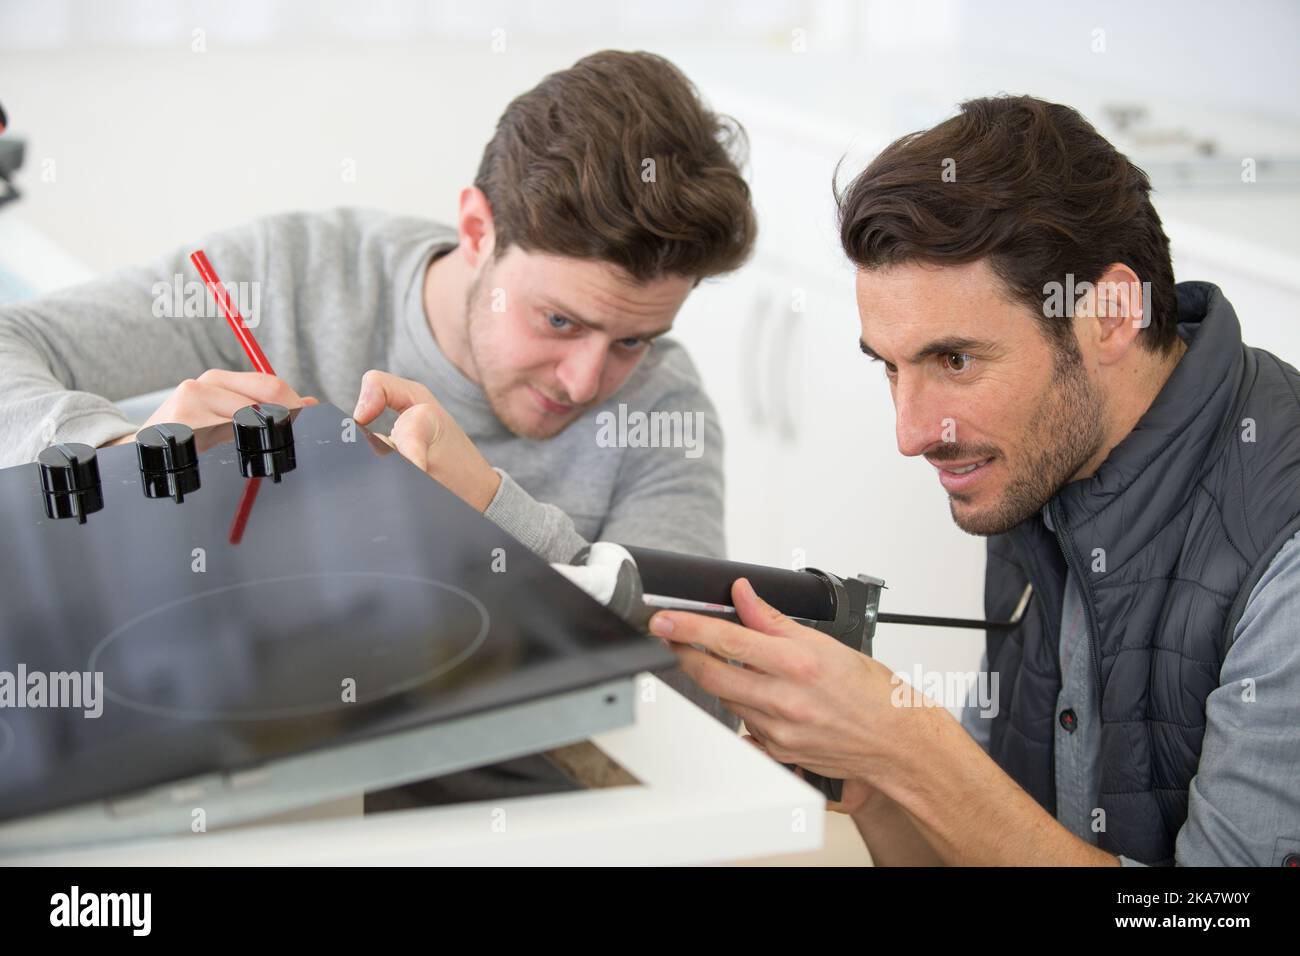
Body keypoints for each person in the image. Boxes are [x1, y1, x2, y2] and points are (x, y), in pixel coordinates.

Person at [0, 50, 757, 799]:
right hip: (259, 784)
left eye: (632, 340)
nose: (584, 380)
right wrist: (118, 457)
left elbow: (695, 706)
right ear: (476, 228)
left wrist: (491, 509)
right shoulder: (287, 278)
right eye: (559, 319)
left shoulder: (663, 412)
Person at [650, 95, 1300, 866]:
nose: (913, 433)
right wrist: (877, 783)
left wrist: (913, 749)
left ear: (1112, 315)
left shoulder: (1281, 563)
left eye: (954, 361)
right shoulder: (1041, 463)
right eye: (890, 368)